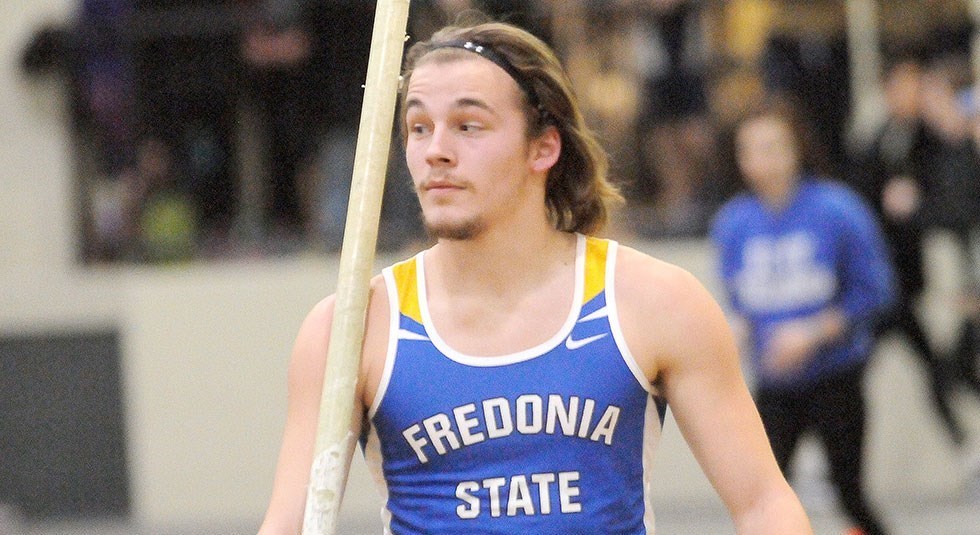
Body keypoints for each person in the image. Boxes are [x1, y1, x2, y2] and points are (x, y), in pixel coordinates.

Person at [259, 17, 811, 534]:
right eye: (419, 127)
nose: (436, 152)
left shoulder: (652, 302)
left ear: (544, 146)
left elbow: (764, 503)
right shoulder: (350, 329)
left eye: (468, 125)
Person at [711, 99, 895, 535]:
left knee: (849, 491)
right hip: (774, 384)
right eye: (750, 150)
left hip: (836, 375)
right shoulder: (734, 223)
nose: (761, 160)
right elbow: (739, 304)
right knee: (763, 496)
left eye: (773, 147)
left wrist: (813, 333)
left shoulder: (838, 210)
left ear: (796, 149)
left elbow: (877, 291)